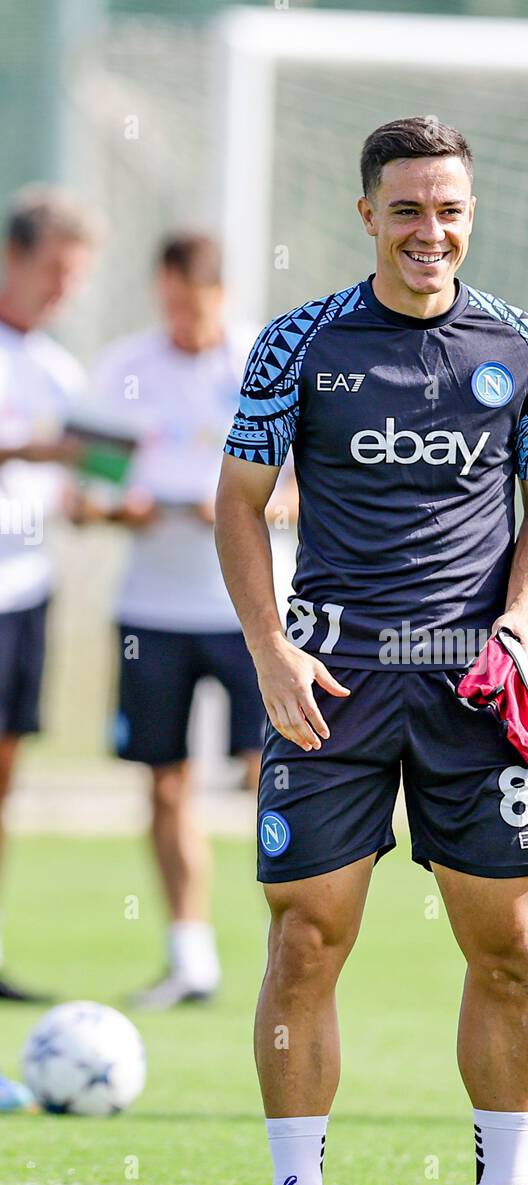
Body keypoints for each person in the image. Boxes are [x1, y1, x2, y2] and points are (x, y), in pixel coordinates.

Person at [213, 118, 528, 1185]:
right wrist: (267, 647)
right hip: (332, 681)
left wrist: (515, 619)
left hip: (471, 687)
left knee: (510, 946)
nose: (428, 231)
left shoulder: (519, 343)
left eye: (447, 209)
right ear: (366, 217)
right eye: (405, 209)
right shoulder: (297, 344)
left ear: (470, 215)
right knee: (306, 936)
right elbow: (238, 504)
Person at [82, 233, 287, 1010]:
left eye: (193, 306)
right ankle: (189, 956)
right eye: (169, 304)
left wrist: (241, 509)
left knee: (268, 775)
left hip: (250, 612)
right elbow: (84, 494)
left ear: (220, 297)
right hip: (151, 613)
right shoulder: (125, 368)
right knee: (164, 787)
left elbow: (303, 490)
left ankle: (291, 941)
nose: (180, 320)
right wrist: (117, 508)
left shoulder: (260, 363)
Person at [0, 186, 98, 1003]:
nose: (62, 291)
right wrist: (35, 449)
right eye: (53, 273)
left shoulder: (61, 370)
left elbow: (91, 482)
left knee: (5, 779)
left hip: (26, 592)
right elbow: (42, 451)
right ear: (15, 259)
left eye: (75, 279)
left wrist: (123, 496)